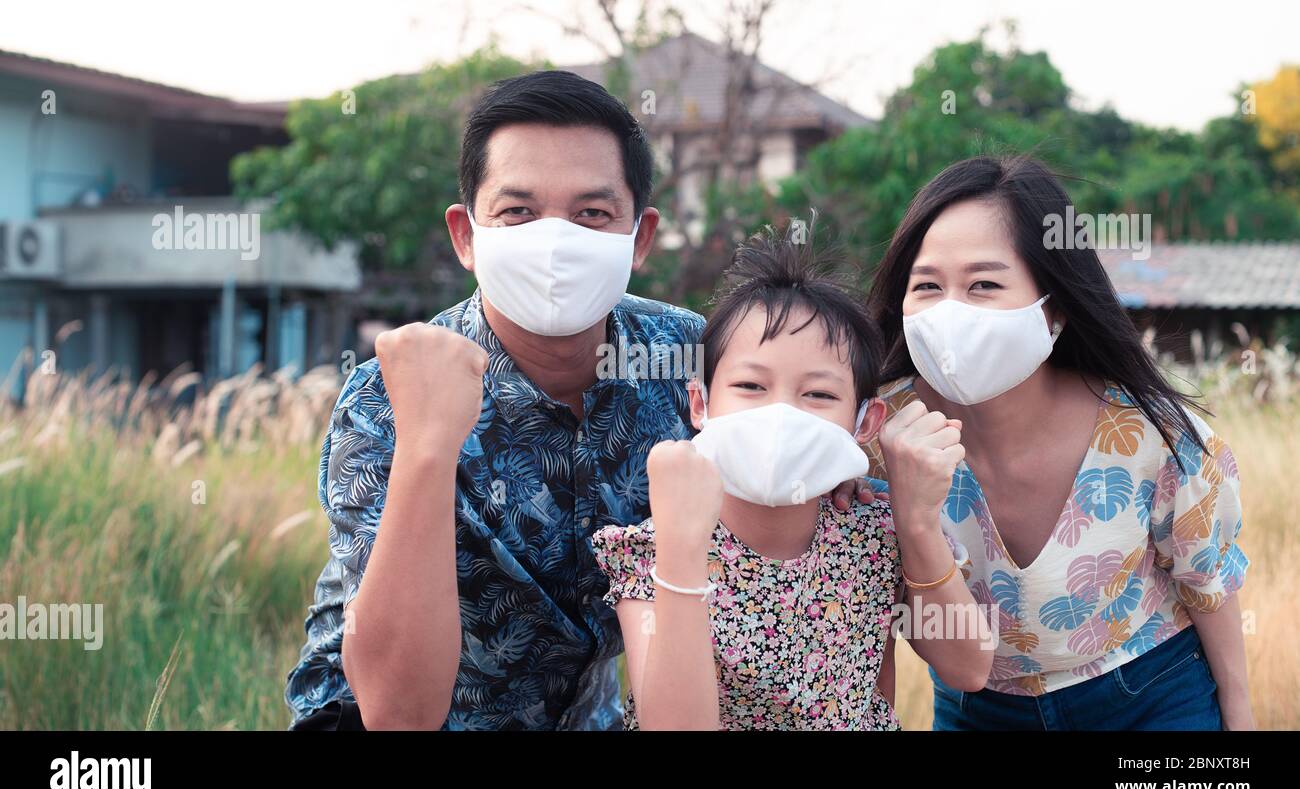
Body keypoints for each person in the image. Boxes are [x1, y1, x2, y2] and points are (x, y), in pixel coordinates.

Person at [285, 70, 876, 730]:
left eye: (592, 213)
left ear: (640, 237)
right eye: (518, 212)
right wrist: (427, 444)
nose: (555, 241)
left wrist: (843, 470)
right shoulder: (387, 396)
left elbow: (818, 405)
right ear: (466, 236)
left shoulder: (693, 361)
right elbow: (396, 713)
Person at [863, 155, 1253, 730]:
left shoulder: (1154, 436)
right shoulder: (875, 435)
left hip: (1149, 693)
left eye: (983, 284)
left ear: (1056, 311)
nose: (950, 311)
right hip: (978, 707)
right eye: (927, 286)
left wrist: (1239, 717)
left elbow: (1207, 585)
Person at [590, 222, 993, 729]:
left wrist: (916, 522)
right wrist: (681, 553)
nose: (781, 414)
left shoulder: (875, 531)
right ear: (701, 403)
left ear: (865, 422)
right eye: (751, 385)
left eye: (819, 395)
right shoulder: (654, 551)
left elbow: (968, 667)